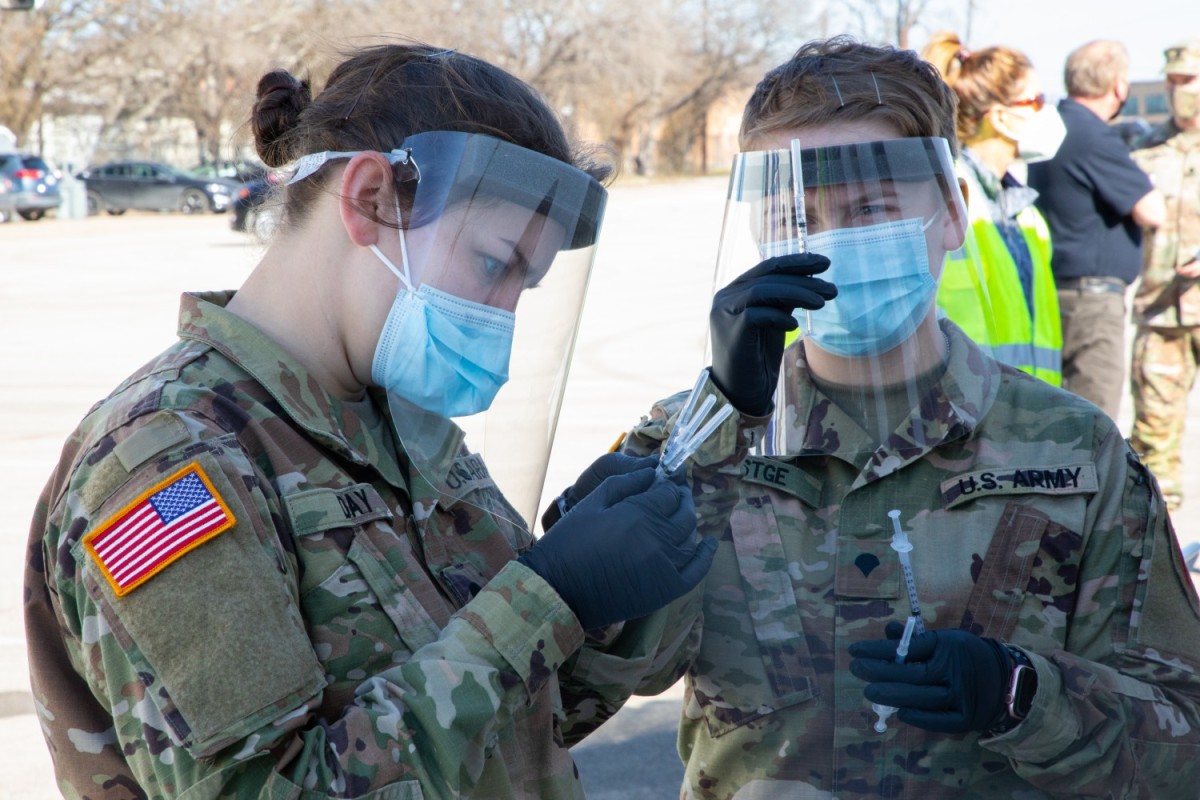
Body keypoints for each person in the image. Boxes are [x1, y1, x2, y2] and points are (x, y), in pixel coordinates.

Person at [23, 43, 716, 799]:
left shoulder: (402, 425)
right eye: (494, 263)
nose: (506, 312)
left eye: (529, 281)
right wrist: (546, 597)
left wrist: (642, 509)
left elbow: (531, 716)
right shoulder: (168, 468)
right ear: (369, 198)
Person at [619, 36, 1200, 798]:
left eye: (871, 208)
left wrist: (1025, 696)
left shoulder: (1076, 451)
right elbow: (588, 676)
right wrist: (709, 435)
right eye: (796, 215)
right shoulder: (685, 442)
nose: (830, 240)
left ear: (954, 212)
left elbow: (1183, 745)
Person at [1027, 40, 1165, 420]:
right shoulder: (1093, 134)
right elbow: (1152, 210)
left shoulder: (1047, 125)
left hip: (1051, 288)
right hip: (1091, 300)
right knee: (1093, 421)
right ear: (1120, 87)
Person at [922, 32, 1064, 386]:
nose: (1047, 111)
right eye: (1036, 100)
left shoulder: (1025, 210)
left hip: (1027, 413)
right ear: (999, 118)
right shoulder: (948, 196)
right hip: (963, 411)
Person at [1130, 38, 1200, 514]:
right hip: (1161, 314)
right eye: (1172, 81)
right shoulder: (1145, 148)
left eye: (1188, 81)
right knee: (1153, 443)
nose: (1178, 91)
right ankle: (1166, 556)